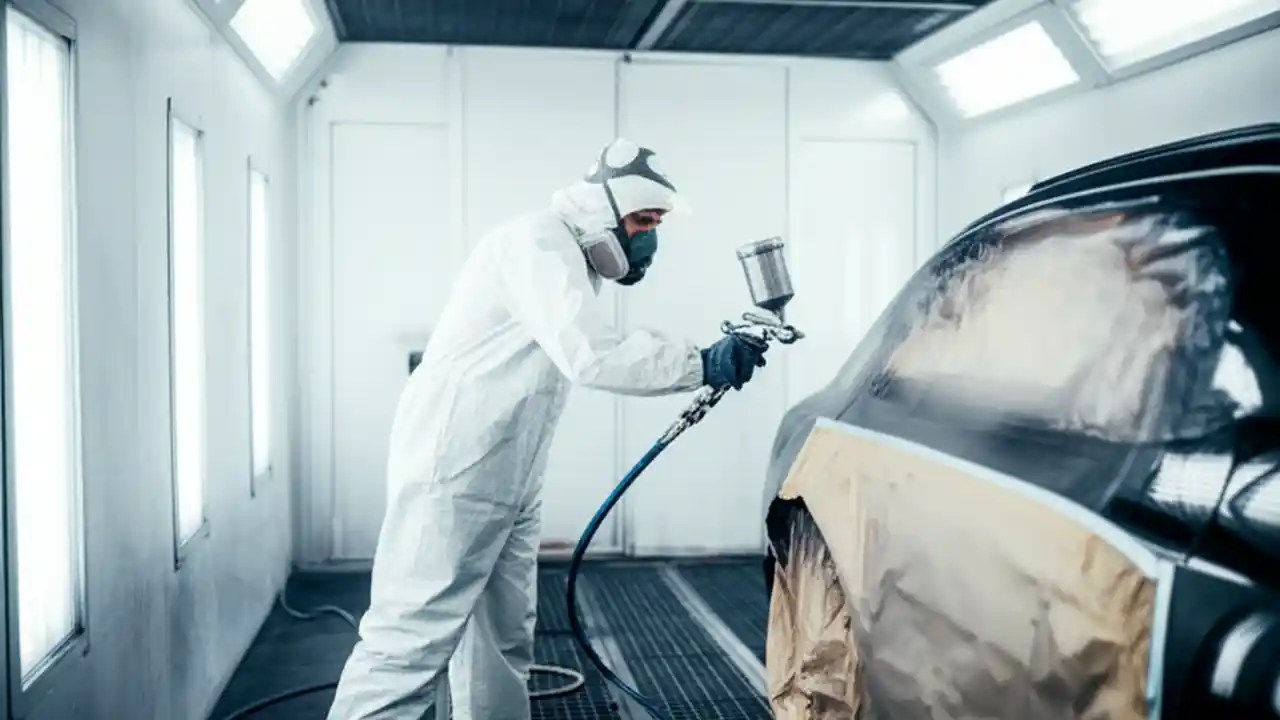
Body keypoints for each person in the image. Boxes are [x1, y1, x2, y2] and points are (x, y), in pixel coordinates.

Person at [326, 138, 769, 719]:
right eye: (642, 221)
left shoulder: (571, 260)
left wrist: (701, 356)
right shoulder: (536, 240)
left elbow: (590, 341)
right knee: (410, 636)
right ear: (604, 212)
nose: (648, 237)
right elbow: (591, 353)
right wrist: (701, 362)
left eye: (655, 223)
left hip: (508, 469)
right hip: (457, 466)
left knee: (502, 637)